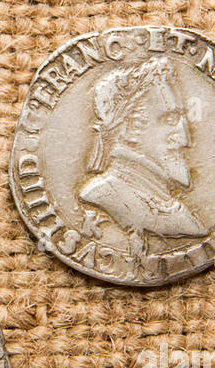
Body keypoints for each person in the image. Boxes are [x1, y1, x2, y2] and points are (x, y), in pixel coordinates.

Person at [79, 56, 207, 253]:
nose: (185, 140)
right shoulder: (103, 196)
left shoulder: (164, 202)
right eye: (170, 120)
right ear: (128, 130)